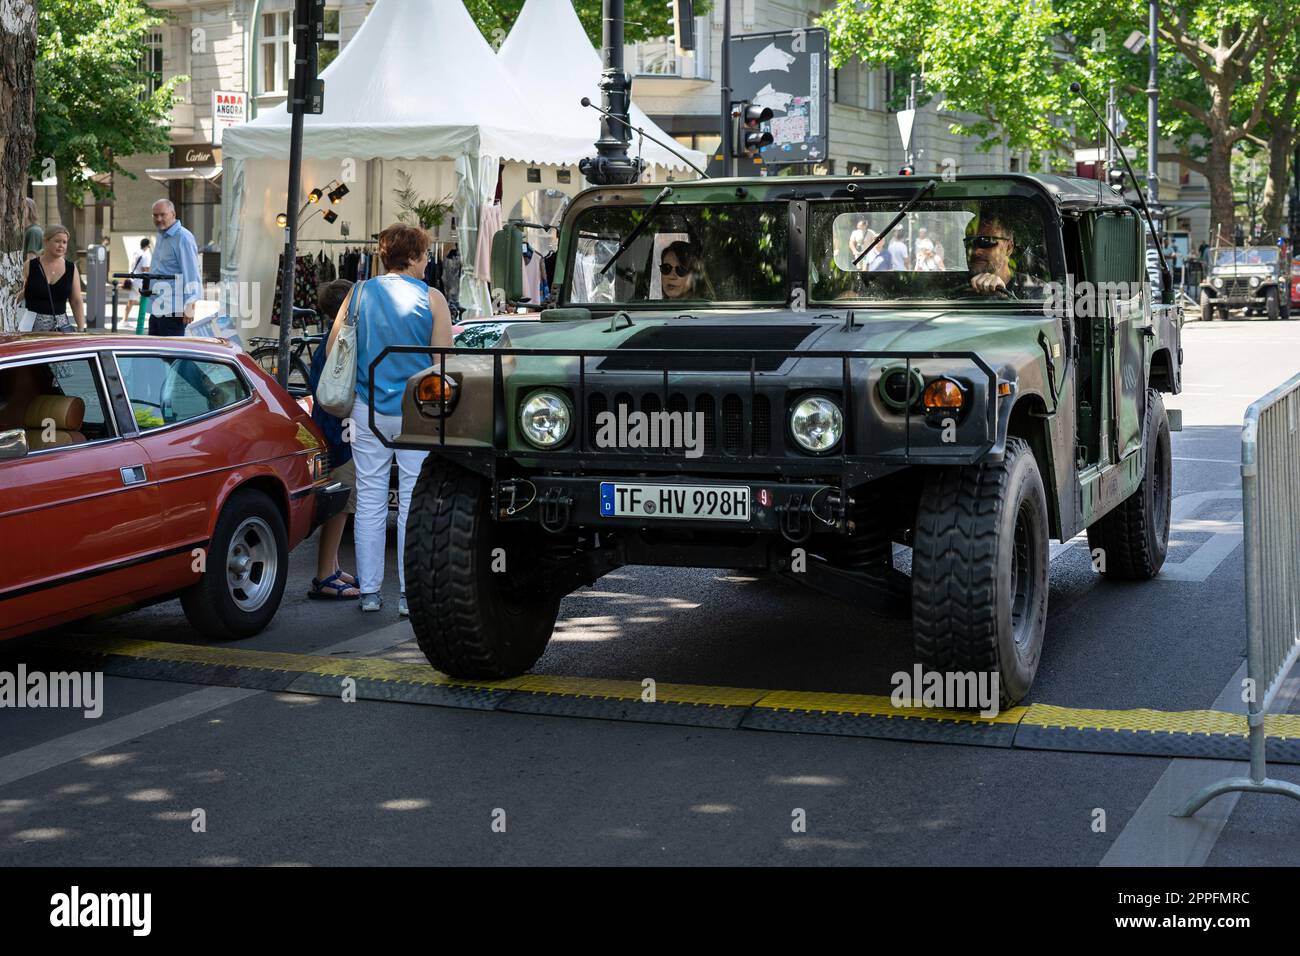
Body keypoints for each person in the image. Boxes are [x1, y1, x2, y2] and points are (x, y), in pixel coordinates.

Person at [325, 223, 454, 616]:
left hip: (367, 408)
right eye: (425, 254)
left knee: (370, 498)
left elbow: (335, 348)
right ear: (412, 257)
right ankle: (407, 596)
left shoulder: (358, 293)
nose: (428, 261)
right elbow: (443, 363)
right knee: (415, 501)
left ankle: (369, 592)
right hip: (416, 410)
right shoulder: (433, 299)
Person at [308, 279, 360, 601]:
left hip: (329, 428)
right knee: (340, 505)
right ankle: (325, 574)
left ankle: (333, 566)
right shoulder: (341, 343)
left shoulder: (329, 340)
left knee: (340, 503)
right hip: (339, 433)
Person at [148, 199, 202, 336]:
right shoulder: (161, 235)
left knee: (171, 355)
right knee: (153, 355)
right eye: (155, 215)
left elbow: (192, 273)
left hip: (173, 310)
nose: (159, 219)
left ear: (173, 214)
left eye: (162, 215)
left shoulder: (183, 237)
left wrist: (190, 305)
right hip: (157, 306)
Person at [21, 225, 85, 332]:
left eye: (64, 242)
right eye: (57, 241)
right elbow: (16, 295)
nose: (61, 245)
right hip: (30, 327)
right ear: (46, 242)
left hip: (60, 328)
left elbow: (76, 301)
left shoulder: (71, 268)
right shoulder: (30, 266)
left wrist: (81, 328)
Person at [123, 237, 152, 324]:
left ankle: (124, 320)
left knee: (131, 300)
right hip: (140, 281)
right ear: (147, 246)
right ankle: (141, 321)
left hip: (133, 279)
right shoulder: (144, 256)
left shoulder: (136, 253)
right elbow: (144, 269)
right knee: (146, 299)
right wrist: (152, 269)